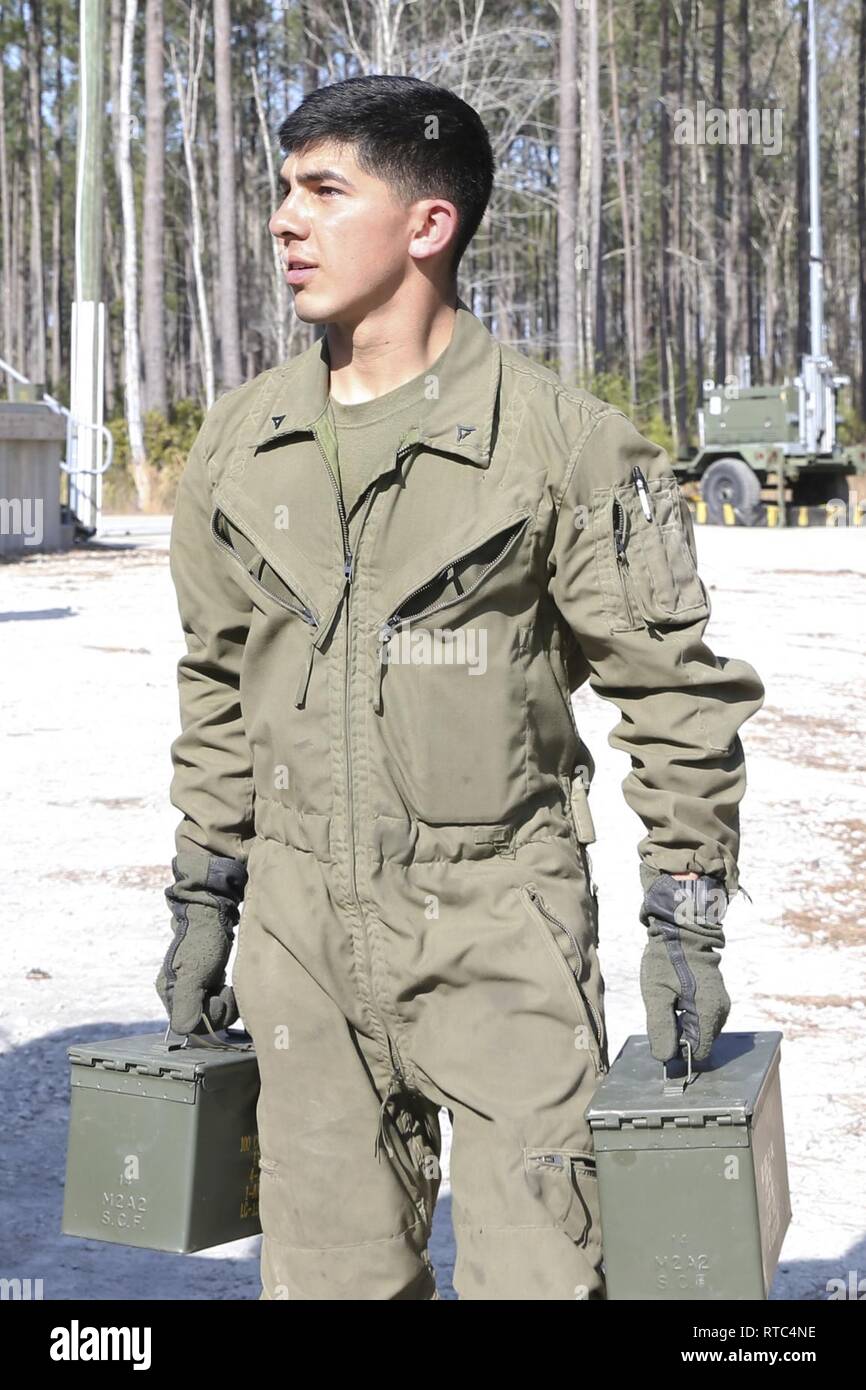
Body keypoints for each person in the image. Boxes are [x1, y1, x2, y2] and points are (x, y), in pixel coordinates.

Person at [157, 74, 765, 1301]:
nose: (284, 219)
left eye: (324, 191)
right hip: (297, 944)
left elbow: (673, 696)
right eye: (282, 190)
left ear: (428, 224)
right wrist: (204, 895)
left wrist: (685, 920)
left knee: (539, 1277)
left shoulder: (561, 444)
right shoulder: (236, 445)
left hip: (499, 934)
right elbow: (217, 686)